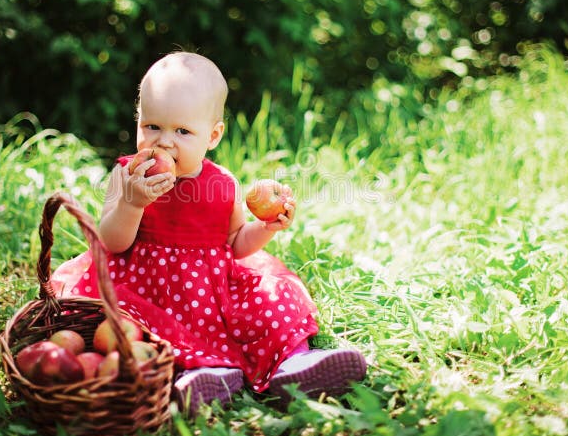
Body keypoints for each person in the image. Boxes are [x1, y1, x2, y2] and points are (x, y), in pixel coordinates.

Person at [51, 51, 366, 413]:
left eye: (182, 131)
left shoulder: (222, 184)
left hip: (209, 293)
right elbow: (111, 242)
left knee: (271, 300)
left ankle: (294, 364)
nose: (163, 142)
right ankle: (207, 374)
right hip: (145, 288)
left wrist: (265, 227)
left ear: (213, 136)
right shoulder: (127, 175)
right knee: (133, 330)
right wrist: (132, 204)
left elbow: (235, 244)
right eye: (152, 127)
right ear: (138, 120)